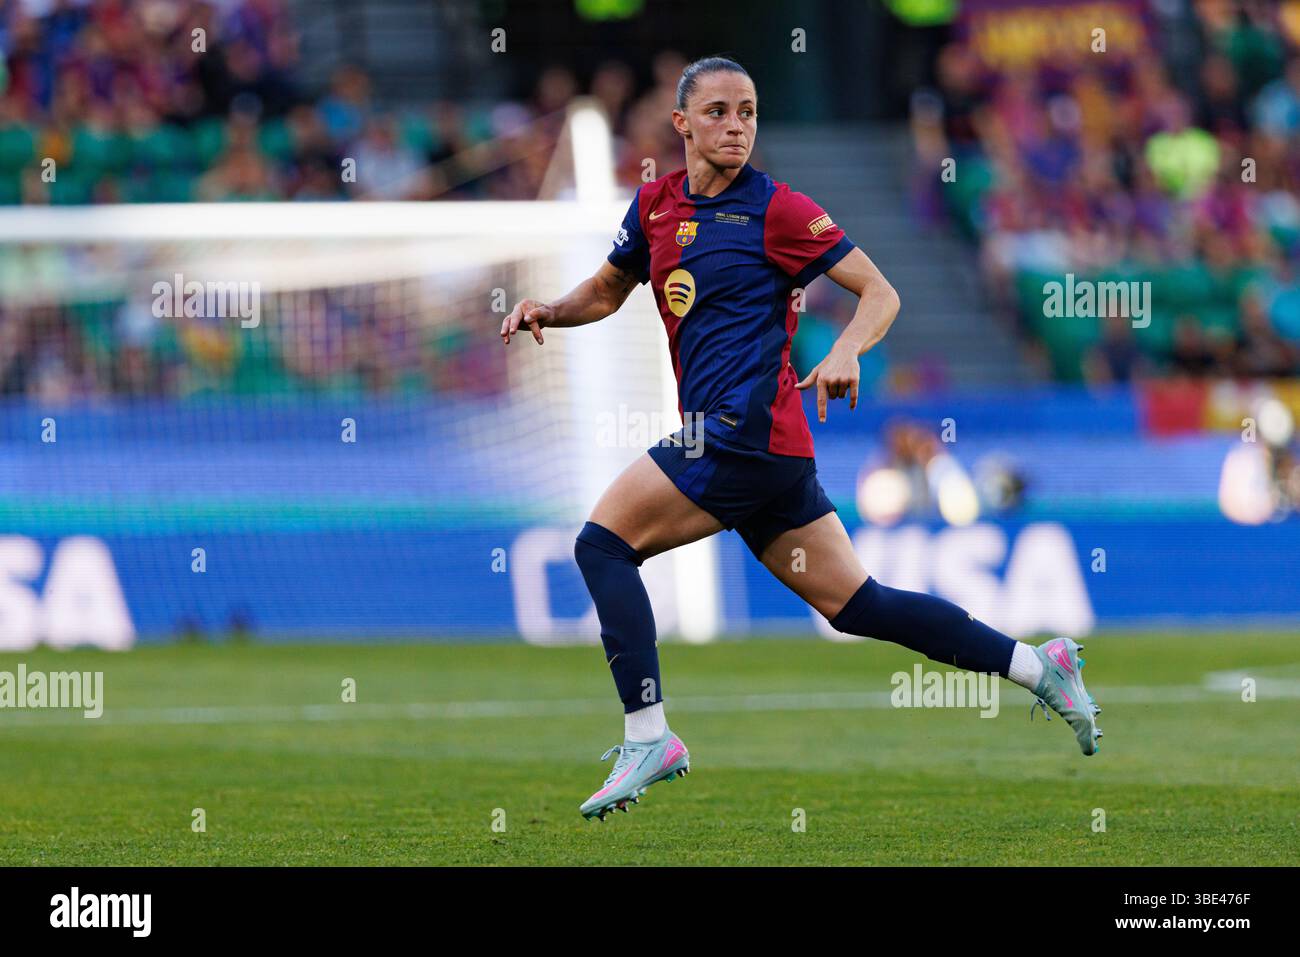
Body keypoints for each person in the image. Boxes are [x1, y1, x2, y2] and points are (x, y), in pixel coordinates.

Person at [500, 57, 1102, 822]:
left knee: (602, 544)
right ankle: (1038, 665)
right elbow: (610, 288)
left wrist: (848, 347)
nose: (736, 126)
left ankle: (648, 732)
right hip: (769, 454)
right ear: (681, 125)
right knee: (858, 605)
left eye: (748, 112)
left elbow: (879, 292)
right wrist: (549, 310)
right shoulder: (653, 206)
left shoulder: (778, 209)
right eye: (717, 112)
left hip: (738, 435)